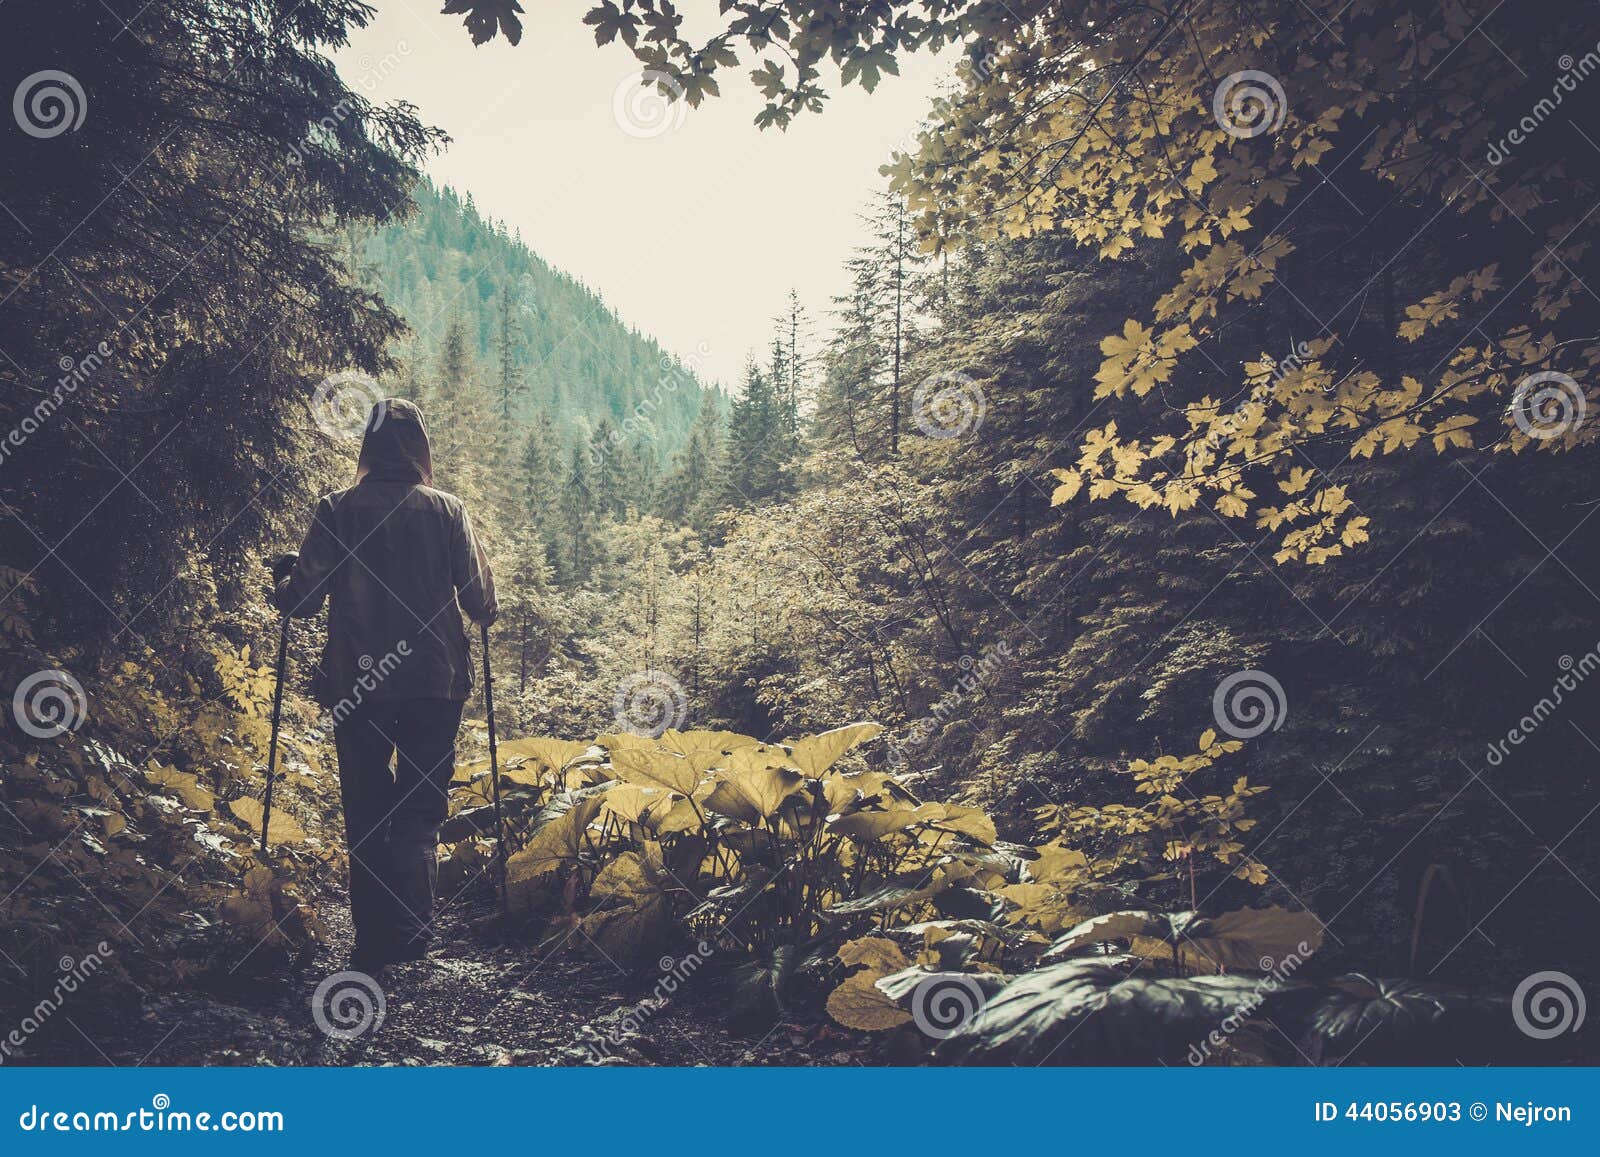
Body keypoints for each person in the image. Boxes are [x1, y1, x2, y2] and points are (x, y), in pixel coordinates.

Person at [271, 398, 496, 972]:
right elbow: (480, 604)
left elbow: (298, 601)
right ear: (421, 450)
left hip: (358, 682)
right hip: (434, 681)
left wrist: (283, 576)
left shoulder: (337, 510)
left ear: (366, 449)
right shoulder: (448, 511)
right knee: (421, 809)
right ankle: (414, 932)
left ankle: (372, 939)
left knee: (367, 808)